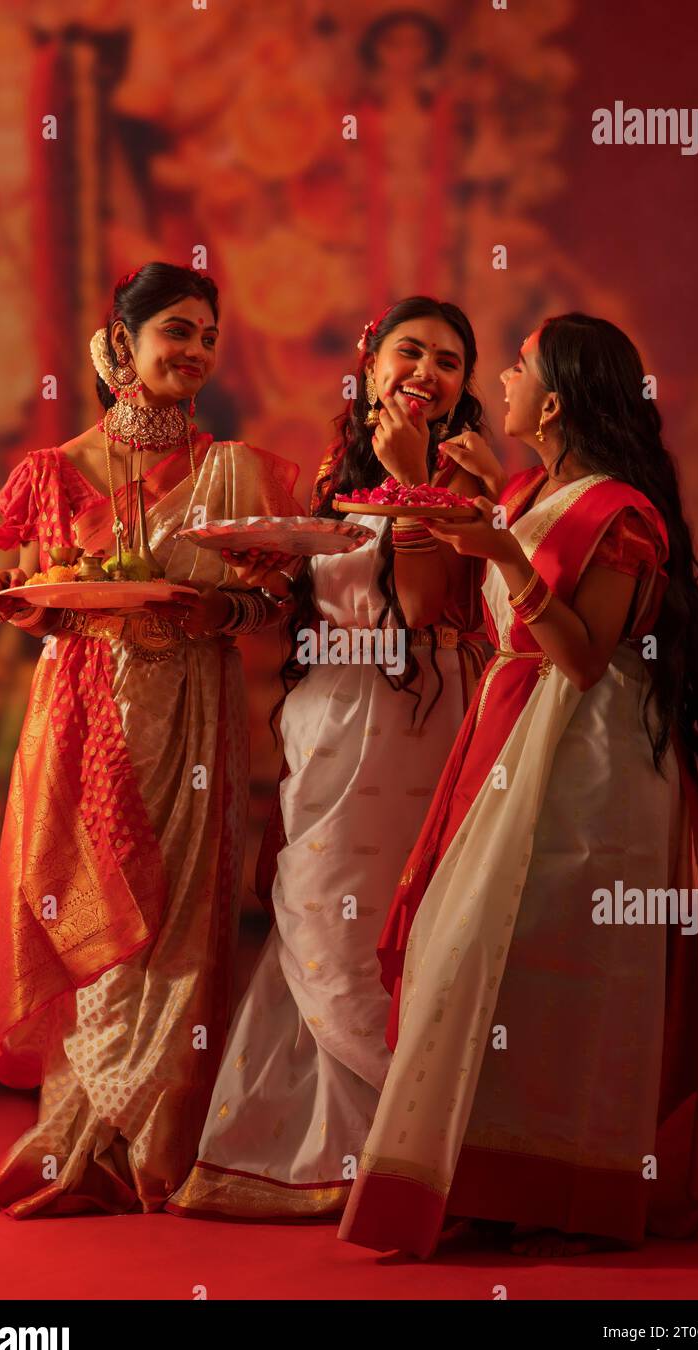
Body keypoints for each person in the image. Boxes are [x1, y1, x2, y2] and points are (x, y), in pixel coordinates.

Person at [337, 312, 698, 1258]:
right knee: (480, 956)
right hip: (514, 747)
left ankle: (568, 1185)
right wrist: (467, 500)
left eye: (518, 368)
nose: (503, 381)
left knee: (562, 972)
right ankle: (476, 1176)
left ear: (556, 400)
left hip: (587, 769)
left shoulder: (620, 514)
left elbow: (581, 656)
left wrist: (506, 555)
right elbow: (475, 575)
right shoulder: (537, 489)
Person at [0, 262, 301, 1217]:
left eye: (207, 337)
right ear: (122, 344)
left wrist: (223, 605)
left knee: (182, 912)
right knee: (90, 902)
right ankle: (78, 1135)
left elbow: (275, 597)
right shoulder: (52, 470)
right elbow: (49, 592)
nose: (194, 352)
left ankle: (139, 1146)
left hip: (195, 704)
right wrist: (24, 611)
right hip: (83, 712)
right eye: (176, 333)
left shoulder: (231, 470)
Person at [167, 297, 493, 1219]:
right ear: (371, 361)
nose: (427, 372)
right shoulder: (331, 472)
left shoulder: (468, 477)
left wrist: (414, 477)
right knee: (310, 912)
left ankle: (419, 1139)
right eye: (410, 352)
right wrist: (253, 586)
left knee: (382, 925)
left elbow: (428, 609)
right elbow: (314, 600)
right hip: (327, 714)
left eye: (449, 361)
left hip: (416, 720)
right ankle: (317, 1152)